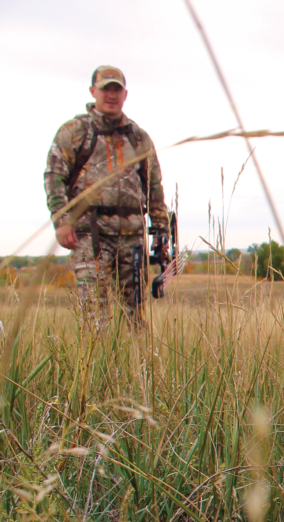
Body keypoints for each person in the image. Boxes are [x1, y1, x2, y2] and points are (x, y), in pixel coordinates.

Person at [44, 65, 169, 330]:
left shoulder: (138, 137)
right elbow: (54, 175)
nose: (111, 95)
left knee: (135, 316)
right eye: (105, 89)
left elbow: (154, 186)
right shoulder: (75, 131)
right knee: (93, 318)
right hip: (90, 234)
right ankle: (97, 370)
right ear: (93, 92)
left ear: (125, 94)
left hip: (132, 238)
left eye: (117, 89)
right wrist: (61, 221)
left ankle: (136, 369)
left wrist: (161, 231)